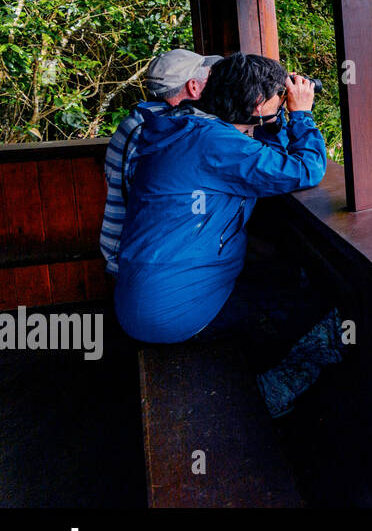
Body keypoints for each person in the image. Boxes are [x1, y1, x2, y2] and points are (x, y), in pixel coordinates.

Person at [115, 53, 337, 415]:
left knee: (283, 279)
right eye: (278, 95)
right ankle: (267, 398)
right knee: (310, 305)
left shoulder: (186, 128)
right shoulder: (213, 142)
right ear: (255, 104)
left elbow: (262, 159)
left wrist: (272, 119)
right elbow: (305, 169)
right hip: (171, 311)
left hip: (146, 298)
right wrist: (301, 115)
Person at [100, 49, 222, 279]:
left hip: (123, 250)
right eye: (209, 79)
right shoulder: (173, 131)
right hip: (143, 260)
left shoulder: (135, 123)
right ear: (194, 87)